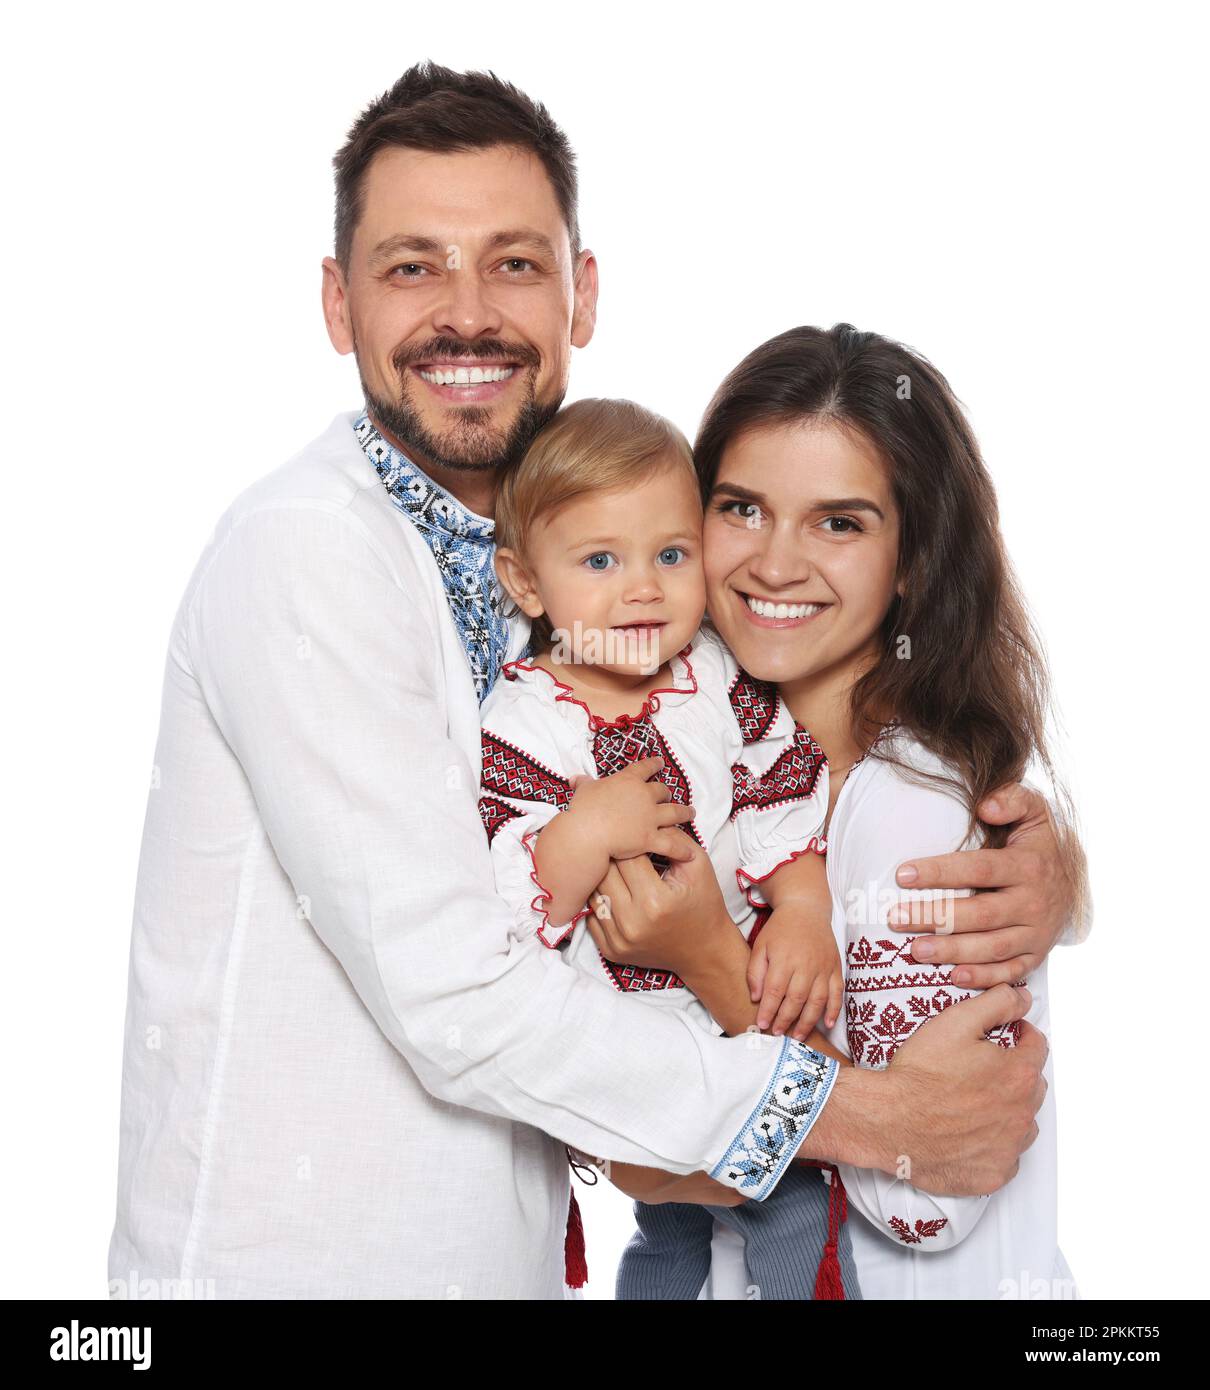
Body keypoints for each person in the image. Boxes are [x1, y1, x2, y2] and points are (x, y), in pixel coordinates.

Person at [107, 64, 1082, 1299]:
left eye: (513, 262)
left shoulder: (586, 578)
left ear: (583, 294)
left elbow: (817, 786)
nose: (467, 314)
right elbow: (466, 996)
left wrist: (1039, 871)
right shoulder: (308, 557)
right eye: (412, 265)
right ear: (336, 302)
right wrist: (870, 1113)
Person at [587, 323, 1085, 1298]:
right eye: (742, 508)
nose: (775, 563)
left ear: (912, 560)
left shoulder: (916, 819)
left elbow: (925, 1193)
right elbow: (630, 1155)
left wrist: (708, 959)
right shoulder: (681, 784)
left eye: (839, 522)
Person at [480, 396, 856, 1298]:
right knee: (660, 1197)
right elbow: (509, 893)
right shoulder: (522, 722)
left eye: (671, 556)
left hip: (734, 990)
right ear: (527, 584)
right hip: (621, 1029)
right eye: (601, 560)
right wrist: (585, 830)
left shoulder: (716, 679)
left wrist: (803, 906)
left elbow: (780, 787)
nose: (643, 587)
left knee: (790, 1198)